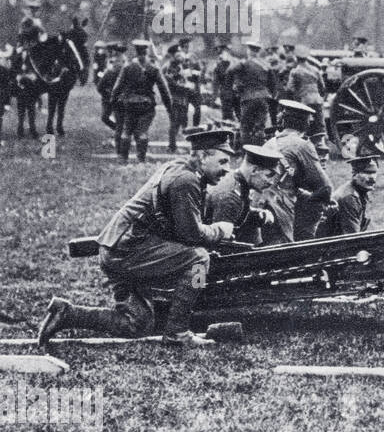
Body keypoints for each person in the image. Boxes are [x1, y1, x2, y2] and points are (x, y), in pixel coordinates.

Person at [36, 128, 239, 348]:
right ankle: (178, 333)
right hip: (129, 252)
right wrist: (220, 230)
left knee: (138, 324)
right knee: (198, 259)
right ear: (202, 157)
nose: (227, 169)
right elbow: (191, 234)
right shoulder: (186, 180)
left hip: (119, 248)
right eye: (223, 161)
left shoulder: (180, 169)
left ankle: (67, 314)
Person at [262, 100, 332, 244]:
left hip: (259, 204)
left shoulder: (269, 143)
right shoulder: (302, 145)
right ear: (306, 124)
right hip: (280, 210)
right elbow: (325, 189)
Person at [205, 143, 283, 246]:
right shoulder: (230, 196)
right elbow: (222, 242)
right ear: (254, 170)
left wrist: (256, 214)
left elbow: (238, 213)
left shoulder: (238, 182)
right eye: (268, 176)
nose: (271, 182)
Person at [110, 39, 172, 163]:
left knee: (127, 131)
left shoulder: (127, 67)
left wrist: (113, 100)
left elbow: (117, 86)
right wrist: (168, 105)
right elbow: (163, 88)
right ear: (146, 51)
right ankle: (141, 160)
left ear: (136, 51)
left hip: (129, 104)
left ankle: (123, 159)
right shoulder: (153, 68)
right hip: (147, 105)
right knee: (142, 131)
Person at [317, 152, 380, 237]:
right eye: (367, 172)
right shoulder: (349, 198)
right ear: (355, 174)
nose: (372, 177)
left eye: (374, 172)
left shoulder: (360, 192)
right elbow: (352, 238)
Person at [229, 40, 274, 146]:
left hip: (248, 97)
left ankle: (246, 152)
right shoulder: (266, 64)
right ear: (258, 51)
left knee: (245, 127)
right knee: (260, 127)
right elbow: (272, 83)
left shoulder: (244, 63)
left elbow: (230, 70)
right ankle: (258, 152)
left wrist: (237, 84)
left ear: (249, 50)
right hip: (264, 97)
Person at [286, 49, 326, 135]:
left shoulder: (295, 71)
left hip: (304, 100)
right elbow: (322, 87)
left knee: (303, 124)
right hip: (317, 99)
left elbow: (290, 88)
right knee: (320, 124)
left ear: (296, 59)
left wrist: (296, 97)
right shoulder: (315, 70)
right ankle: (323, 142)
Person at [96, 43, 125, 132]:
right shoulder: (111, 61)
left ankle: (120, 133)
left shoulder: (121, 63)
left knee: (119, 117)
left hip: (118, 95)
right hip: (109, 94)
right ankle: (119, 131)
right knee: (105, 117)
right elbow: (100, 86)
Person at [211, 42, 238, 122]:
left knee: (227, 116)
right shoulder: (235, 60)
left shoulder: (220, 62)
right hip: (234, 91)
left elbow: (216, 81)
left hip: (227, 91)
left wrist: (214, 96)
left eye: (218, 49)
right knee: (236, 114)